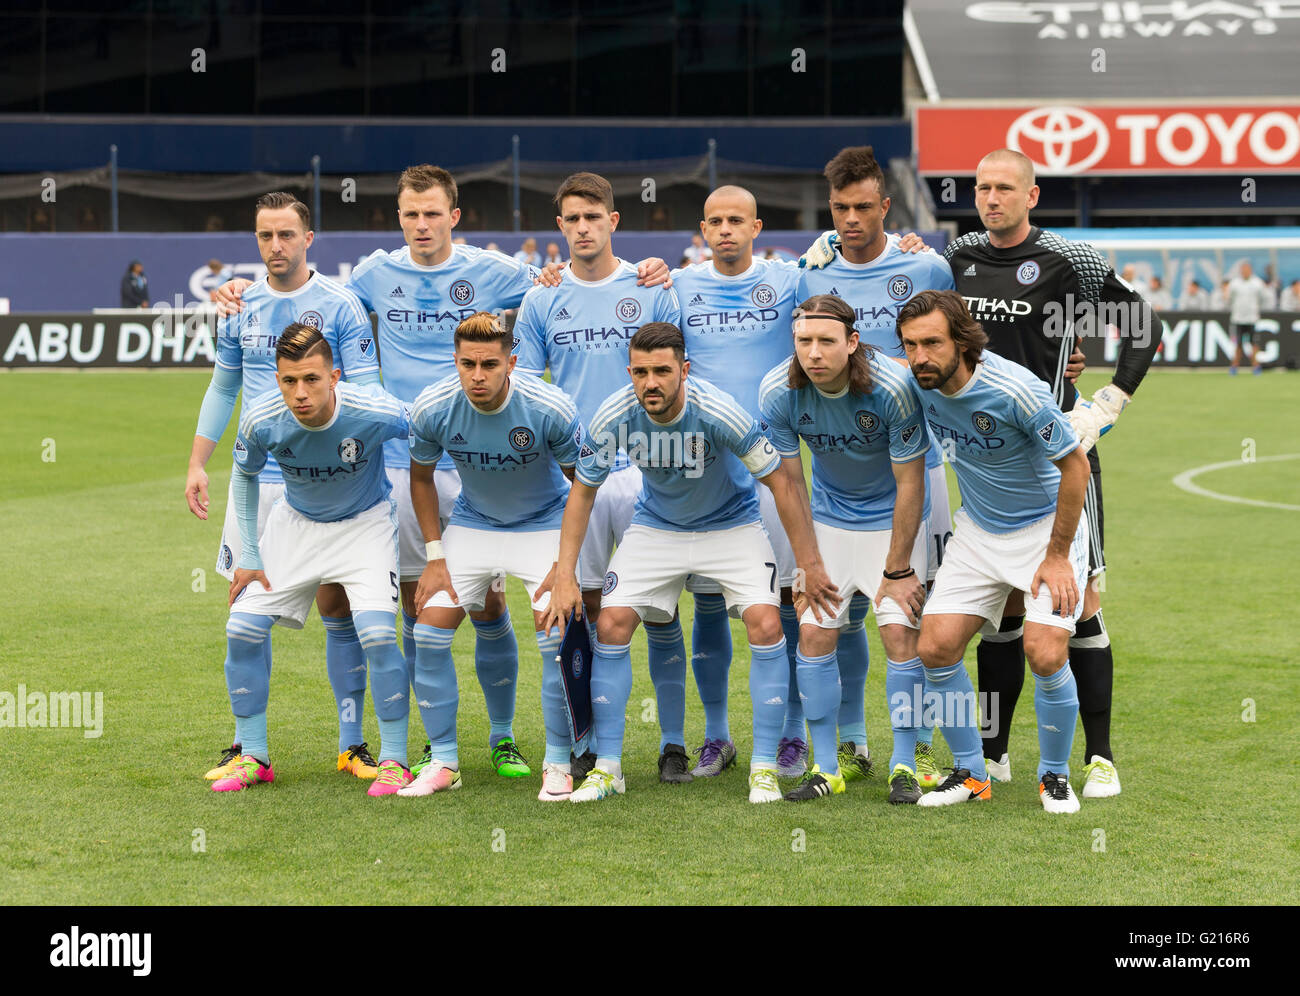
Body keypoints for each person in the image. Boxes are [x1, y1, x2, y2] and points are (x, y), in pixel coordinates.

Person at [214, 166, 671, 780]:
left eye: (433, 213)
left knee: (502, 607)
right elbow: (307, 290)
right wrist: (245, 289)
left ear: (454, 217)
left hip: (500, 468)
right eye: (410, 215)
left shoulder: (498, 272)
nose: (422, 225)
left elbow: (553, 283)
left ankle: (513, 739)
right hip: (411, 462)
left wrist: (637, 268)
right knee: (419, 603)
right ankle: (428, 747)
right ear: (398, 218)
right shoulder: (374, 276)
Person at [933, 149, 1158, 799]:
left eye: (1005, 188)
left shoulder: (1071, 261)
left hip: (1060, 453)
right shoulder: (957, 258)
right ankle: (993, 756)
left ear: (1032, 196)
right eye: (981, 187)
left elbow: (1141, 323)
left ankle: (1100, 758)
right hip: (983, 456)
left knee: (1077, 606)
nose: (990, 197)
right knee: (1002, 608)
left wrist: (1109, 403)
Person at [540, 322, 838, 804]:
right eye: (640, 372)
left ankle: (762, 767)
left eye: (661, 371)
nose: (650, 383)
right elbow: (583, 492)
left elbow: (781, 482)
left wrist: (805, 563)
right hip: (658, 526)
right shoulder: (613, 415)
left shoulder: (718, 409)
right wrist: (566, 573)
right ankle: (609, 768)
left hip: (732, 526)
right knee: (612, 623)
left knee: (765, 624)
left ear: (684, 369)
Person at [187, 191, 381, 784]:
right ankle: (251, 747)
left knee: (339, 606)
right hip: (257, 482)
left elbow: (366, 393)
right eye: (265, 236)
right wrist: (198, 463)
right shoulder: (239, 308)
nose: (276, 246)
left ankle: (353, 744)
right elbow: (225, 388)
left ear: (308, 238)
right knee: (248, 609)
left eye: (286, 235)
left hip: (326, 483)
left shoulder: (341, 305)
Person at [513, 172, 685, 782]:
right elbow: (529, 391)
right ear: (558, 227)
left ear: (614, 221)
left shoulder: (651, 287)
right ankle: (585, 741)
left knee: (656, 608)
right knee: (581, 608)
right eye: (571, 219)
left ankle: (673, 744)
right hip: (575, 475)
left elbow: (680, 375)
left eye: (593, 217)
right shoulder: (541, 299)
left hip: (645, 471)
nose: (583, 228)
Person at [795, 145, 955, 787]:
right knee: (837, 616)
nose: (852, 219)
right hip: (838, 476)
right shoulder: (809, 277)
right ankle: (850, 748)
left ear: (886, 206)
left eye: (864, 207)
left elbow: (963, 343)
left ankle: (919, 749)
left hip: (923, 466)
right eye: (840, 209)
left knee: (915, 620)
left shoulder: (926, 265)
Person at [897, 291, 1091, 814]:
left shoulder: (1015, 390)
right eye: (910, 345)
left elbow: (1077, 468)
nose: (920, 357)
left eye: (932, 343)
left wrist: (1056, 555)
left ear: (962, 341)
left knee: (1045, 651)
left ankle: (1055, 776)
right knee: (934, 648)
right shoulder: (916, 382)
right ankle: (971, 773)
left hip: (1047, 531)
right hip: (979, 531)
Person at [213, 324, 412, 796]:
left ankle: (396, 760)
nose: (299, 393)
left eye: (311, 380)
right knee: (241, 629)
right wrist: (250, 554)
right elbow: (244, 478)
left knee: (380, 634)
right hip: (294, 525)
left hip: (364, 525)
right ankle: (254, 756)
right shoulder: (262, 418)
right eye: (288, 381)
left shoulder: (374, 409)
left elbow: (431, 427)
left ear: (335, 376)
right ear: (277, 379)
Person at [400, 312, 586, 800]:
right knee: (428, 632)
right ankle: (444, 761)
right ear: (455, 361)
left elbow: (581, 485)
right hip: (473, 525)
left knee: (555, 638)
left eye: (488, 364)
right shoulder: (433, 407)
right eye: (467, 364)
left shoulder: (549, 407)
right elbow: (420, 477)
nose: (477, 376)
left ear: (512, 362)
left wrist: (564, 566)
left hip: (544, 524)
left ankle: (557, 763)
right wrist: (435, 557)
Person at [758, 295, 930, 803]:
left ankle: (906, 760)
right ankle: (829, 765)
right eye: (803, 341)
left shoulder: (891, 388)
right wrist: (808, 564)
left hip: (891, 522)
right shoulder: (778, 391)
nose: (813, 353)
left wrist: (897, 568)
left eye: (826, 341)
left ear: (852, 343)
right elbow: (788, 485)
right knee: (812, 635)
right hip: (830, 522)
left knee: (899, 632)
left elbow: (911, 483)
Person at [669, 185, 803, 781]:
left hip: (776, 462)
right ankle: (716, 735)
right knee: (705, 601)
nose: (725, 230)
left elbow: (851, 274)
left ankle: (793, 734)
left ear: (756, 226)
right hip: (708, 463)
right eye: (715, 221)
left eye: (737, 221)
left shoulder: (791, 279)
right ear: (703, 228)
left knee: (785, 602)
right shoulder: (677, 285)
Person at [1227, 261, 1270, 375]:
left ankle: (1256, 367)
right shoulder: (1234, 283)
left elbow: (1263, 298)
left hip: (1252, 319)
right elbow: (1229, 298)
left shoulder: (1257, 283)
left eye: (1247, 269)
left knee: (1254, 343)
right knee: (1238, 344)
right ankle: (1234, 367)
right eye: (1243, 269)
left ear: (1250, 270)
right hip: (1238, 318)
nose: (1245, 272)